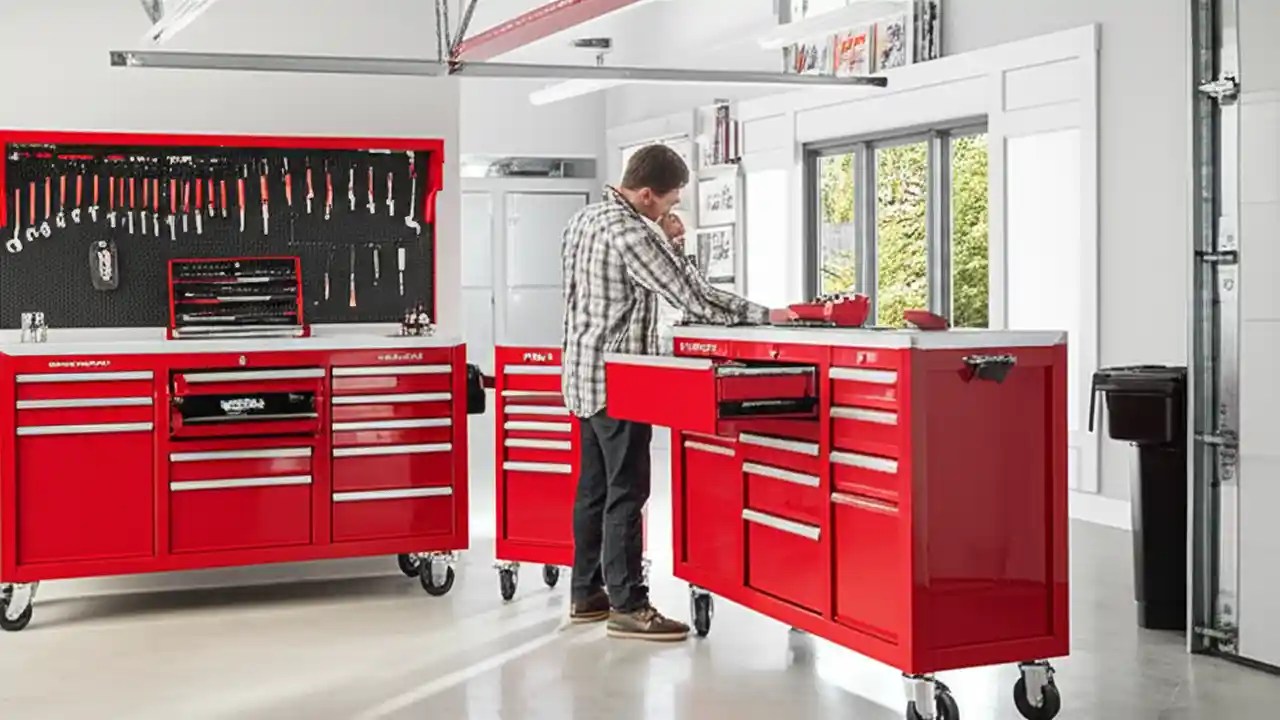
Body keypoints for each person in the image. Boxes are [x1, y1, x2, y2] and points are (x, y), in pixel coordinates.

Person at [560, 144, 769, 641]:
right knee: (628, 492)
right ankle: (629, 604)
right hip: (619, 380)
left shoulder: (585, 219)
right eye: (671, 204)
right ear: (648, 194)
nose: (671, 212)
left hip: (582, 373)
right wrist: (768, 317)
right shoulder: (631, 232)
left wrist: (668, 243)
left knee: (594, 490)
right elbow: (689, 295)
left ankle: (587, 593)